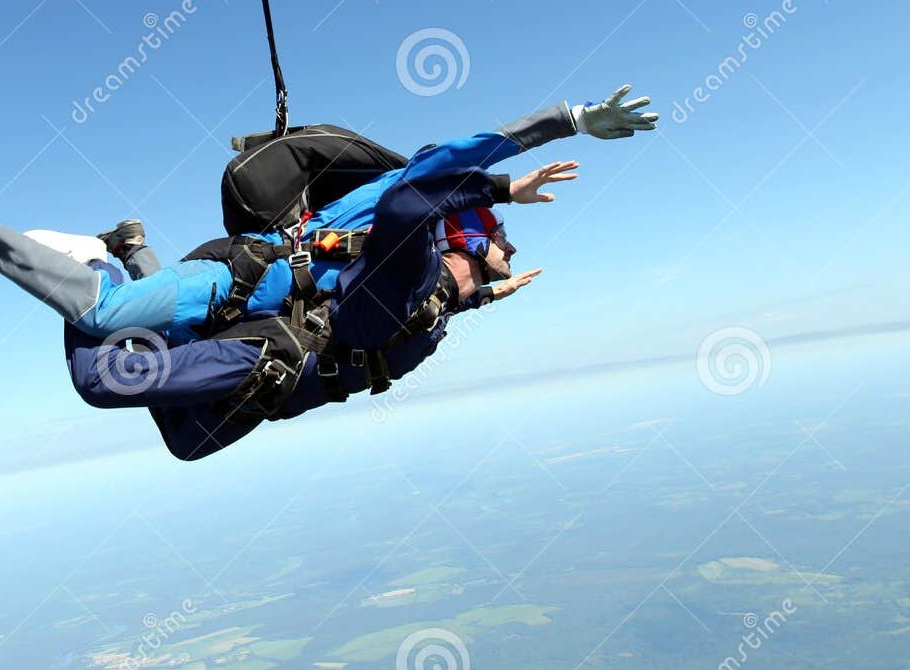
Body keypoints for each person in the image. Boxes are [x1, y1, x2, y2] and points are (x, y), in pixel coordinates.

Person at [0, 86, 658, 348]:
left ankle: (127, 246)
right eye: (500, 254)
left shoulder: (404, 253)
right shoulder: (397, 204)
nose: (506, 260)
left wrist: (489, 274)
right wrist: (571, 119)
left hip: (251, 284)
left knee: (164, 335)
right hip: (241, 273)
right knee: (106, 319)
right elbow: (456, 158)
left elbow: (442, 276)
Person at [68, 160, 572, 460]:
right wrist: (502, 184)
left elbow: (414, 316)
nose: (514, 251)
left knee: (186, 441)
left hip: (282, 388)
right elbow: (403, 212)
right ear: (474, 242)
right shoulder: (413, 272)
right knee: (105, 380)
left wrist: (482, 296)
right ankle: (91, 268)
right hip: (272, 361)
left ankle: (133, 253)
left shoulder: (437, 299)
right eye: (504, 239)